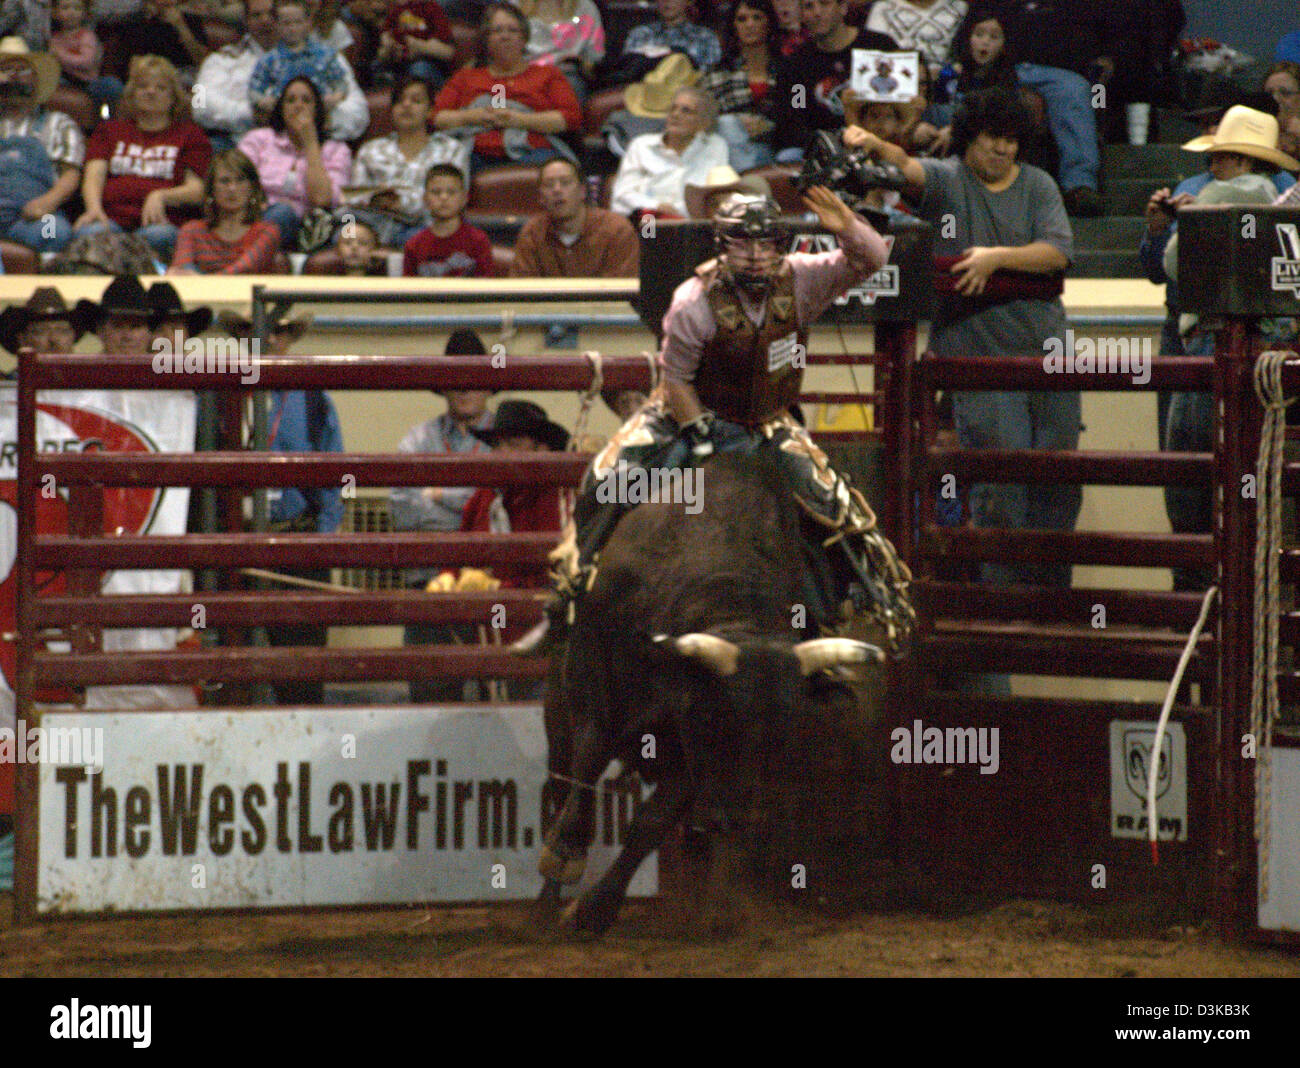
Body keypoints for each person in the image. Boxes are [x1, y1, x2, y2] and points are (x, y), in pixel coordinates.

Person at [512, 185, 915, 657]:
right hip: (685, 417)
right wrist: (701, 432)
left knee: (836, 504)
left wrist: (847, 224)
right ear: (724, 248)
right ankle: (565, 602)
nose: (755, 255)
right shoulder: (693, 301)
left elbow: (872, 260)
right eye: (744, 243)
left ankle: (868, 601)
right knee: (607, 479)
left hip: (766, 420)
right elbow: (677, 378)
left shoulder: (804, 279)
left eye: (765, 243)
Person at [846, 86, 1078, 588]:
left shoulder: (1038, 184)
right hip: (976, 354)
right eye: (993, 138)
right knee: (999, 475)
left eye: (1011, 140)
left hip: (1047, 349)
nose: (1003, 149)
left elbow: (1057, 251)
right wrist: (866, 138)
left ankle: (1052, 597)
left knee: (1059, 469)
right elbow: (903, 165)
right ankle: (1002, 603)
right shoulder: (948, 181)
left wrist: (995, 258)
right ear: (970, 138)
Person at [1160, 106, 1299, 591]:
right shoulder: (1281, 201)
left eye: (1220, 157)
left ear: (1239, 160)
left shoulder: (1218, 199)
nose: (1212, 167)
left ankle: (1196, 592)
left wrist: (1178, 225)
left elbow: (1176, 264)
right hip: (1275, 353)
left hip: (1213, 346)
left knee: (1189, 473)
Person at [217, 309, 343, 705]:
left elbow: (338, 475)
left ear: (289, 339)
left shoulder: (314, 399)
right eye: (258, 331)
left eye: (278, 331)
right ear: (242, 337)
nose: (269, 339)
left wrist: (322, 540)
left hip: (296, 541)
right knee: (229, 667)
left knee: (301, 670)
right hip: (234, 543)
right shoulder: (222, 395)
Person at [388, 327, 495, 703]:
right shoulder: (416, 440)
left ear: (487, 386)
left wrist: (435, 494)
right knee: (429, 692)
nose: (465, 389)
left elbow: (492, 507)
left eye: (474, 380)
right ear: (444, 387)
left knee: (494, 692)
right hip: (428, 584)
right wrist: (467, 502)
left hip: (488, 586)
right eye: (456, 380)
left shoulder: (509, 437)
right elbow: (402, 509)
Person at [75, 54, 211, 266]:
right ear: (131, 94)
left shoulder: (190, 135)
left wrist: (162, 195)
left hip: (161, 224)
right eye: (143, 86)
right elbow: (94, 175)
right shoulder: (110, 130)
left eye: (160, 87)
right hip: (111, 220)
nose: (150, 92)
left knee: (160, 237)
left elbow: (198, 190)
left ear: (173, 97)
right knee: (90, 232)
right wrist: (93, 209)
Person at [432, 1, 581, 173]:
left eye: (512, 30)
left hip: (533, 151)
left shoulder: (548, 74)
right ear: (486, 39)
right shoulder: (465, 77)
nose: (505, 36)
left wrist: (518, 120)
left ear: (524, 38)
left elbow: (570, 118)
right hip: (475, 153)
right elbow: (437, 118)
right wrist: (472, 116)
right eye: (497, 31)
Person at [348, 73, 468, 248]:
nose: (406, 105)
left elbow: (453, 200)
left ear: (430, 110)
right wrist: (374, 199)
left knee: (417, 239)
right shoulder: (371, 149)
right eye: (400, 101)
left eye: (416, 100)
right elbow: (354, 196)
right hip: (373, 229)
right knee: (345, 236)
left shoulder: (452, 150)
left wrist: (400, 203)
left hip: (428, 228)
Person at [770, 0, 900, 161]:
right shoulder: (797, 66)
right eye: (809, 6)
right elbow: (795, 118)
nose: (817, 12)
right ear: (802, 14)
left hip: (881, 139)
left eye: (825, 3)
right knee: (788, 156)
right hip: (825, 149)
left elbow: (904, 100)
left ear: (843, 7)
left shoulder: (879, 46)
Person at [238, 75, 351, 248]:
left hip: (306, 228)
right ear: (281, 109)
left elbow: (322, 199)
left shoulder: (336, 150)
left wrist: (311, 143)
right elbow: (236, 181)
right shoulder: (259, 139)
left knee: (284, 213)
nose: (298, 106)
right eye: (290, 100)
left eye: (306, 101)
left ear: (317, 109)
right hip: (255, 216)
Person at [0, 35, 84, 252]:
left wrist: (47, 202)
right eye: (7, 70)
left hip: (36, 215)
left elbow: (71, 174)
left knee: (55, 231)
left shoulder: (59, 123)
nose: (15, 78)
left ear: (36, 80)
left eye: (22, 71)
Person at [608, 85, 728, 220]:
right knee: (649, 233)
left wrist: (675, 212)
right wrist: (657, 207)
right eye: (673, 109)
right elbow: (622, 195)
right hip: (649, 220)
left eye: (686, 111)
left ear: (704, 123)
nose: (676, 114)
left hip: (692, 224)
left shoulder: (714, 146)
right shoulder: (641, 145)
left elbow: (715, 195)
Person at [509, 155, 638, 277]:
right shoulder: (532, 233)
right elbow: (521, 292)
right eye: (549, 185)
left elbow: (622, 291)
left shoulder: (617, 230)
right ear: (541, 197)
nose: (557, 190)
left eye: (565, 182)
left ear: (582, 191)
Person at [698, 0, 780, 172]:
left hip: (778, 145)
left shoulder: (793, 70)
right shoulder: (715, 73)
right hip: (728, 150)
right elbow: (703, 120)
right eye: (742, 19)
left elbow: (800, 110)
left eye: (757, 18)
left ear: (769, 23)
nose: (750, 24)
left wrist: (770, 127)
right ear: (734, 26)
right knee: (727, 124)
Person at [168, 147, 280, 273]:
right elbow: (180, 272)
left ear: (252, 187)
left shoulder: (267, 231)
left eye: (240, 180)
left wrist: (202, 282)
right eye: (224, 181)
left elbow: (242, 269)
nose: (232, 188)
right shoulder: (192, 230)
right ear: (211, 189)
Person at [248, 0, 347, 122]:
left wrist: (336, 97)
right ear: (276, 25)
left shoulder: (325, 54)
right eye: (286, 23)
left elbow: (340, 83)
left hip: (321, 118)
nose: (292, 29)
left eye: (298, 23)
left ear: (308, 23)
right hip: (283, 120)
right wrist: (263, 101)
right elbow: (254, 90)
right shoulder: (269, 60)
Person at [402, 161, 494, 276]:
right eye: (436, 192)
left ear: (464, 198)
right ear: (425, 199)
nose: (444, 197)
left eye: (451, 192)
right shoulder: (414, 245)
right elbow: (409, 290)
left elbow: (486, 288)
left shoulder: (478, 241)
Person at [515, 0, 603, 101]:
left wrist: (582, 63)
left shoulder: (585, 6)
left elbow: (595, 55)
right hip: (523, 71)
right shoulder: (515, 5)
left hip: (566, 73)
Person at [112, 0, 211, 80]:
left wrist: (180, 26)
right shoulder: (134, 22)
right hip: (149, 74)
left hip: (184, 74)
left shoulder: (191, 20)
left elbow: (202, 61)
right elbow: (131, 63)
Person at [865, 0, 966, 75]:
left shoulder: (960, 7)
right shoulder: (883, 7)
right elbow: (873, 54)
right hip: (898, 77)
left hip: (948, 78)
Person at [48, 0, 121, 103]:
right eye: (65, 8)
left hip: (88, 83)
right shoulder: (55, 39)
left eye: (77, 8)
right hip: (65, 82)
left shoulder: (87, 36)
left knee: (112, 85)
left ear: (84, 13)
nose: (71, 13)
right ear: (55, 12)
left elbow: (86, 62)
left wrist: (59, 55)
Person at [621, 0, 721, 74]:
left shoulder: (705, 37)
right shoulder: (640, 34)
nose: (667, 2)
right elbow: (628, 72)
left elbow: (710, 76)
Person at [377, 0, 455, 89]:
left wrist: (417, 46)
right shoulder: (397, 9)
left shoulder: (432, 8)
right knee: (376, 66)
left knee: (419, 69)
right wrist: (388, 44)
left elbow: (447, 51)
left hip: (427, 63)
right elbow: (386, 35)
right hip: (398, 61)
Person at [0, 286, 88, 362]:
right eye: (41, 331)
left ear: (73, 336)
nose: (53, 339)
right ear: (22, 339)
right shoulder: (12, 381)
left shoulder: (89, 380)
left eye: (62, 331)